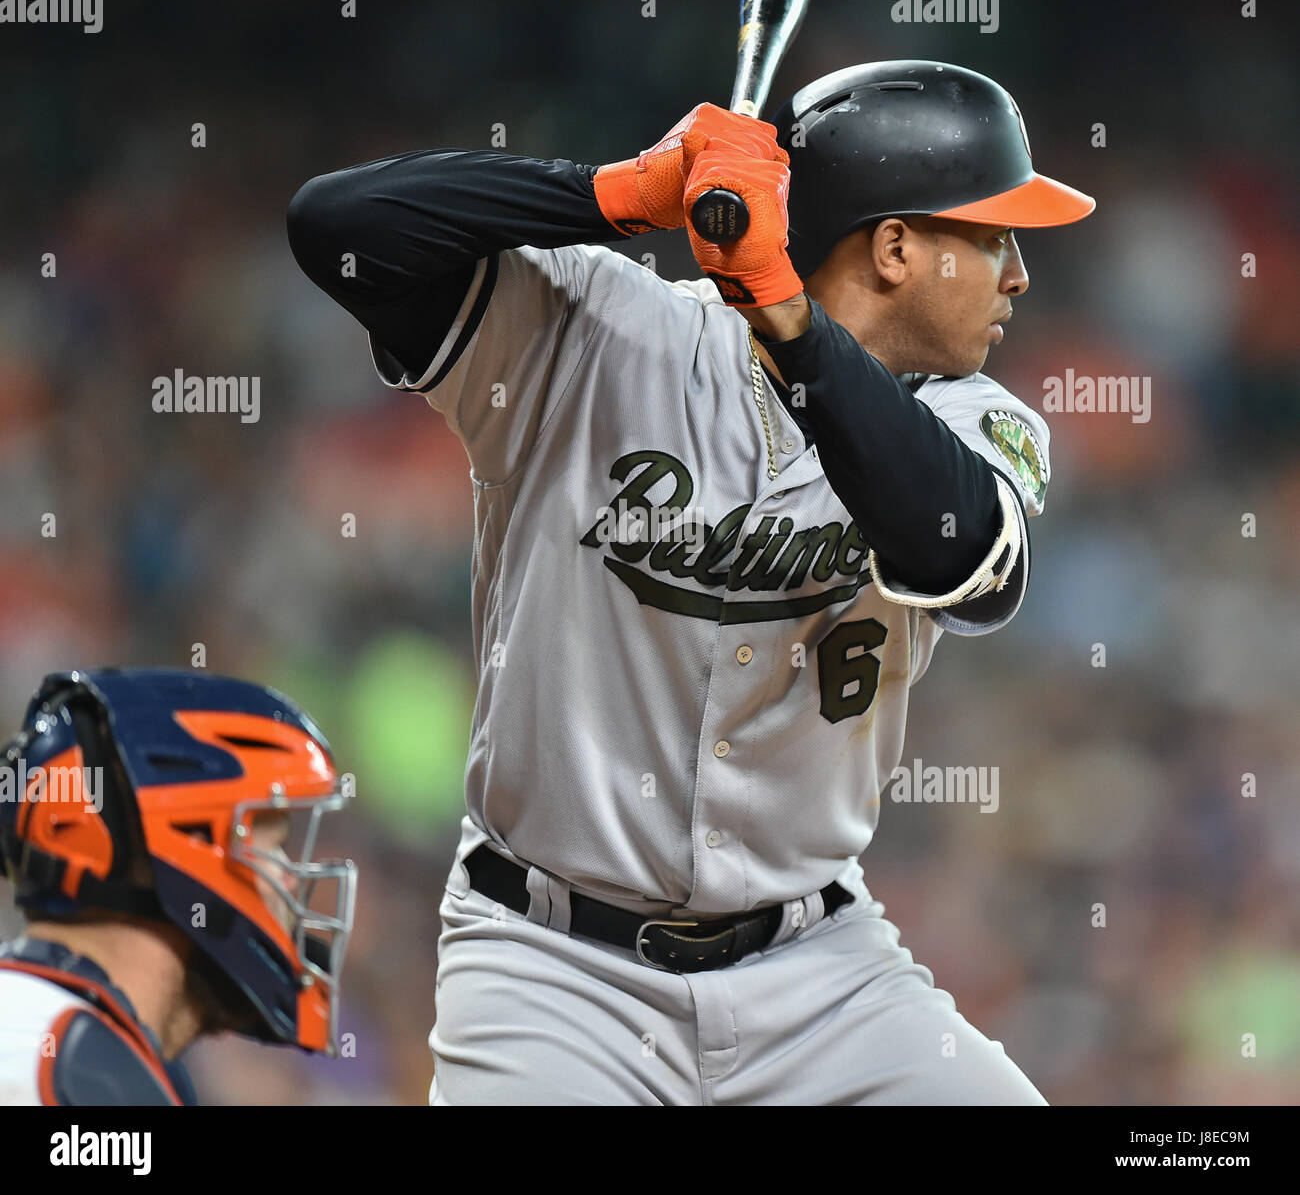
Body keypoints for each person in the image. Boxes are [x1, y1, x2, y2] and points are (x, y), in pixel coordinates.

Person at [287, 59, 1093, 1105]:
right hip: (551, 973)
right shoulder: (597, 329)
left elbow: (963, 564)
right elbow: (338, 227)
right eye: (992, 238)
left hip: (820, 981)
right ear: (896, 248)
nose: (1017, 275)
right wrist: (619, 194)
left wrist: (787, 316)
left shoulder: (974, 420)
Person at [0, 667, 357, 1105]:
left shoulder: (71, 1042)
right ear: (189, 847)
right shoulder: (73, 1073)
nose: (291, 879)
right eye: (275, 845)